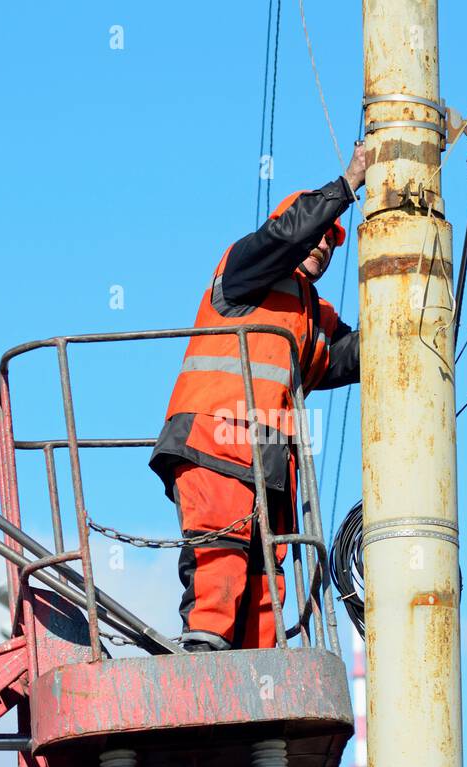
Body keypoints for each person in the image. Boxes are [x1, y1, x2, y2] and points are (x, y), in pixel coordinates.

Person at [149, 143, 369, 652]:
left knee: (266, 586)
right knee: (219, 558)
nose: (321, 247)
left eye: (331, 245)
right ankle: (205, 663)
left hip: (267, 465)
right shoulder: (246, 268)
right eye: (316, 236)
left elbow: (350, 355)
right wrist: (349, 182)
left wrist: (413, 318)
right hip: (213, 441)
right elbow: (285, 235)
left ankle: (260, 689)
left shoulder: (312, 316)